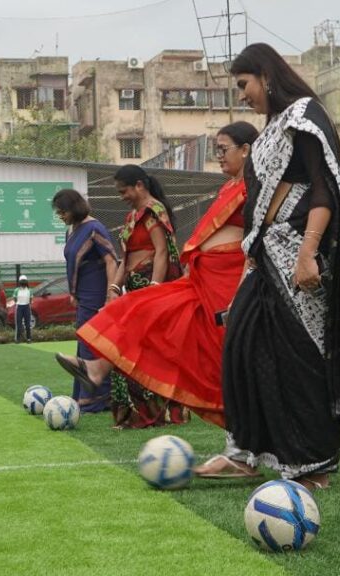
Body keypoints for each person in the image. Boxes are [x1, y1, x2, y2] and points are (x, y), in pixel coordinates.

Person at [59, 122, 259, 466]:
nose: (218, 157)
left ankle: (242, 449)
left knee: (216, 359)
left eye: (223, 149)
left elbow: (165, 251)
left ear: (247, 149)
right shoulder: (230, 187)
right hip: (202, 279)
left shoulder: (258, 187)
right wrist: (115, 286)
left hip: (224, 283)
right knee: (137, 314)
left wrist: (155, 282)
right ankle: (98, 368)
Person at [217, 43, 340, 491]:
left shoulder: (304, 114)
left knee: (301, 359)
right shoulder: (270, 130)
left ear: (265, 75)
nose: (242, 95)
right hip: (266, 256)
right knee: (244, 347)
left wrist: (307, 253)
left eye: (244, 85)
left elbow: (325, 191)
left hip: (299, 256)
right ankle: (246, 452)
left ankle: (312, 463)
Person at [59, 165, 189, 429]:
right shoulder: (131, 217)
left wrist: (154, 288)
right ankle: (123, 402)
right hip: (135, 285)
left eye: (124, 191)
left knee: (129, 339)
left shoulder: (154, 211)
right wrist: (114, 290)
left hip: (154, 286)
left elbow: (162, 252)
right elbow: (124, 260)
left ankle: (97, 370)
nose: (122, 196)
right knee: (127, 340)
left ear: (140, 185)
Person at [50, 189, 117, 412]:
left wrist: (110, 295)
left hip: (97, 292)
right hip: (82, 296)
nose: (60, 216)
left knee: (93, 343)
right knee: (84, 341)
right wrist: (73, 292)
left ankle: (99, 399)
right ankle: (85, 397)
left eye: (63, 211)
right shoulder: (73, 231)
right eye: (58, 212)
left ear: (75, 208)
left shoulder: (94, 228)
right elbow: (72, 264)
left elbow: (111, 261)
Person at [13, 275, 33, 343]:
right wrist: (18, 303)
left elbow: (31, 299)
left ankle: (29, 339)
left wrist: (28, 303)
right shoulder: (17, 290)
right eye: (22, 282)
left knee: (28, 324)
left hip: (27, 307)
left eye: (24, 282)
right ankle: (17, 339)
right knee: (19, 324)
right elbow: (15, 298)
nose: (23, 283)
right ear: (20, 282)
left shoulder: (29, 290)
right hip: (19, 307)